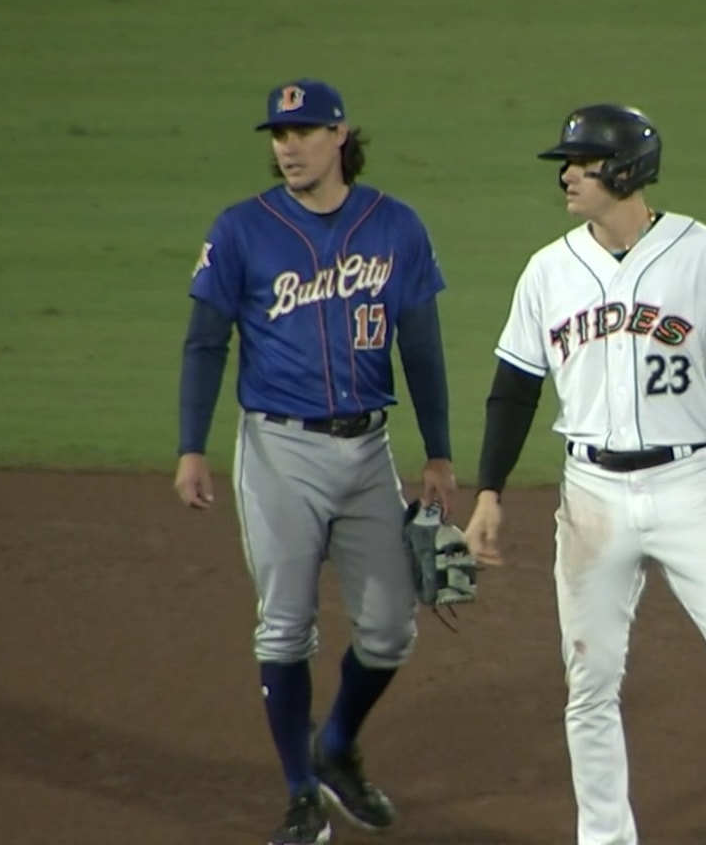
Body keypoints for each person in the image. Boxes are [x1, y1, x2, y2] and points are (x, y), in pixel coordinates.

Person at [462, 104, 706, 845]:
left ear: (625, 171)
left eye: (581, 162)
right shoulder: (548, 271)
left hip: (689, 487)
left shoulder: (705, 255)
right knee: (588, 680)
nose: (566, 174)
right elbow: (514, 388)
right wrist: (489, 492)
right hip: (591, 494)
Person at [171, 78, 457, 845]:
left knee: (392, 629)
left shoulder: (395, 227)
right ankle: (300, 792)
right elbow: (205, 342)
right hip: (278, 451)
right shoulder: (241, 231)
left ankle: (335, 749)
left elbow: (422, 348)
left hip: (370, 452)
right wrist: (191, 445)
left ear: (340, 136)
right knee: (285, 627)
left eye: (301, 132)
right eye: (277, 134)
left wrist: (438, 451)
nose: (286, 146)